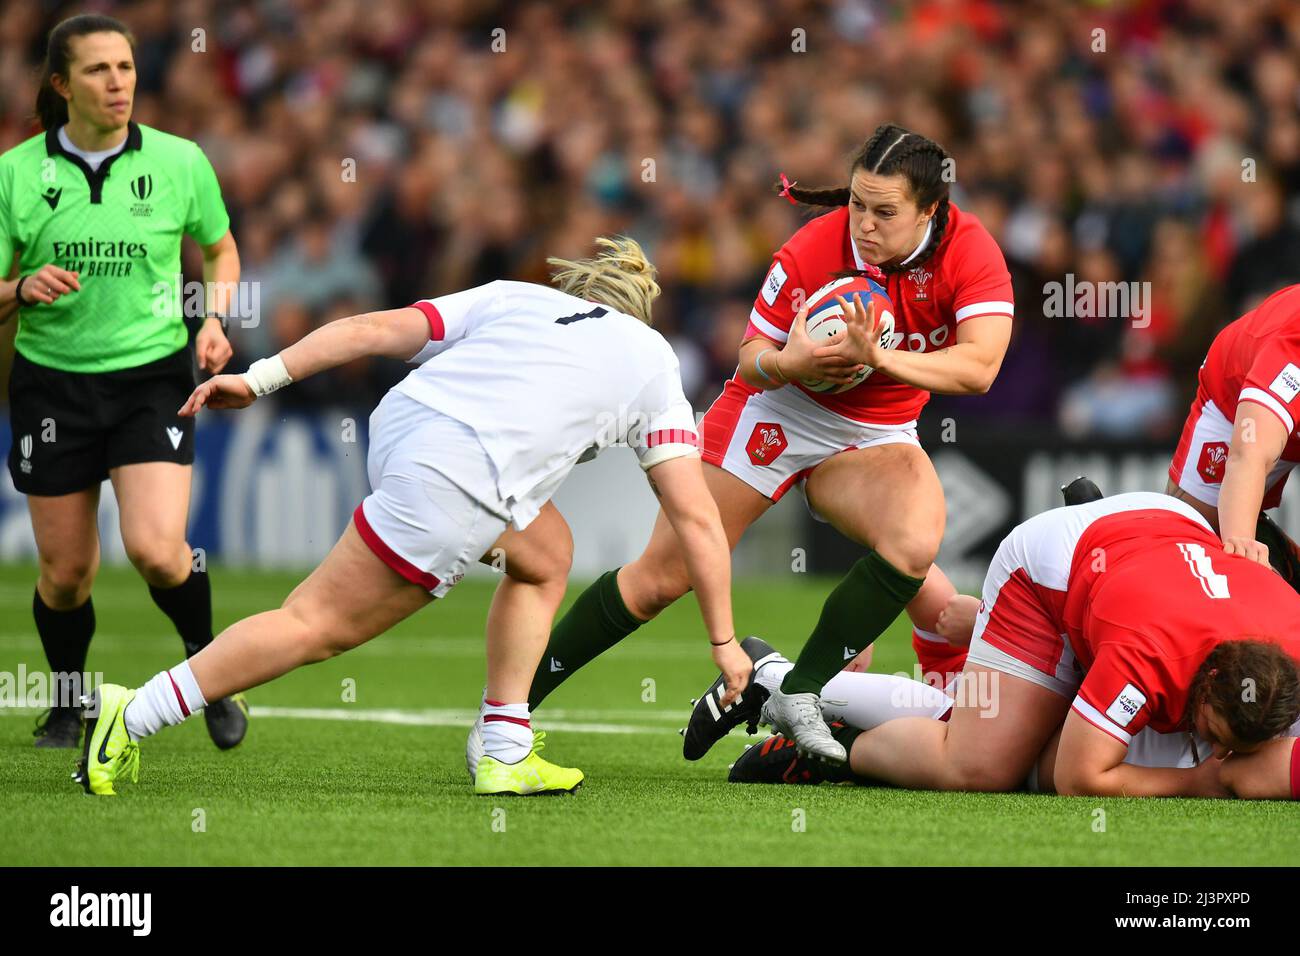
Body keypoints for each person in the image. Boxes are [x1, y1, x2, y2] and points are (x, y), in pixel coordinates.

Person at [72, 237, 752, 797]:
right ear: (639, 315)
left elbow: (371, 329)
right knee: (314, 626)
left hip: (402, 430)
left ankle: (506, 748)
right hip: (457, 478)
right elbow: (694, 519)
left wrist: (259, 379)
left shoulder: (517, 297)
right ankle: (133, 713)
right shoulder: (654, 361)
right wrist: (723, 643)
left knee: (546, 553)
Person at [499, 123, 1014, 767]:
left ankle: (794, 693)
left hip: (873, 432)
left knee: (914, 545)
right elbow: (749, 362)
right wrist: (791, 363)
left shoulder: (970, 253)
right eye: (857, 204)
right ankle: (508, 717)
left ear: (930, 212)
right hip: (774, 409)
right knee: (661, 579)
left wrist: (877, 358)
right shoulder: (814, 246)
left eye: (886, 212)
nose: (865, 224)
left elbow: (979, 368)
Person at [0, 14, 245, 749]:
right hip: (53, 387)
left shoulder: (179, 161)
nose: (118, 83)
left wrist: (213, 319)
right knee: (67, 574)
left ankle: (209, 673)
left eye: (127, 68)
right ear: (60, 84)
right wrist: (19, 287)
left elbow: (221, 247)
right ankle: (68, 704)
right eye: (99, 70)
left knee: (159, 551)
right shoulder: (16, 173)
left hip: (150, 376)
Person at [798, 492, 1300, 798]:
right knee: (980, 767)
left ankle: (986, 634)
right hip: (1053, 567)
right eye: (1215, 734)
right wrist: (1204, 784)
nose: (1220, 754)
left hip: (1161, 542)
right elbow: (1078, 777)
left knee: (1017, 728)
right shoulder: (1148, 653)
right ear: (1210, 680)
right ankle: (798, 702)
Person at [1166, 282, 1300, 585]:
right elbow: (1247, 455)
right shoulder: (1293, 351)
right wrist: (1242, 547)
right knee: (1191, 543)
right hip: (1234, 396)